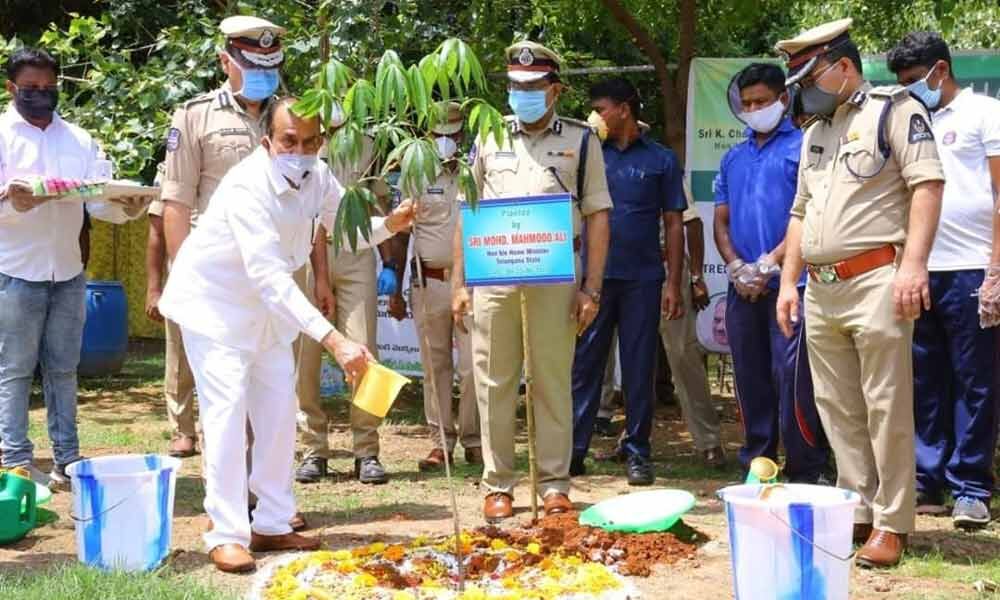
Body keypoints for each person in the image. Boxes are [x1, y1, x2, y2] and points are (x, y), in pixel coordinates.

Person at [158, 97, 414, 573]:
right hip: (215, 309)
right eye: (289, 141)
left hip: (267, 315)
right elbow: (270, 277)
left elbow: (346, 228)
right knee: (227, 419)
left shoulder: (318, 175)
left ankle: (273, 521)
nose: (299, 150)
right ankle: (226, 532)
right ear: (267, 142)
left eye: (310, 142)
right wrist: (335, 340)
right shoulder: (245, 187)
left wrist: (389, 226)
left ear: (321, 142)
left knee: (278, 411)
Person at [775, 18, 945, 568]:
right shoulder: (815, 132)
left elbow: (927, 183)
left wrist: (914, 265)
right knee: (837, 405)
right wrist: (787, 282)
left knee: (884, 403)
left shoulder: (895, 111)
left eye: (809, 79)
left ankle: (893, 522)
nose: (803, 92)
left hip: (878, 278)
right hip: (822, 289)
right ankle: (860, 508)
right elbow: (800, 212)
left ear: (843, 69)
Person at [452, 41, 612, 520]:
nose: (522, 94)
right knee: (494, 382)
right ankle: (498, 484)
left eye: (533, 87)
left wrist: (592, 289)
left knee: (551, 382)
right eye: (515, 87)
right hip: (494, 280)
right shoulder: (487, 136)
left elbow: (599, 216)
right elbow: (469, 211)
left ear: (555, 89)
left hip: (554, 280)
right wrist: (460, 283)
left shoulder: (583, 141)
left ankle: (554, 484)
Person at [0, 47, 147, 485]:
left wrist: (131, 207)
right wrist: (14, 204)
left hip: (67, 271)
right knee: (15, 370)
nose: (41, 96)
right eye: (31, 89)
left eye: (49, 88)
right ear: (12, 89)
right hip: (14, 272)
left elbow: (98, 199)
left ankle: (68, 460)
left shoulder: (79, 139)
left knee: (64, 369)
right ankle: (16, 462)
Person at [159, 15, 285, 458]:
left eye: (272, 65)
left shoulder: (291, 115)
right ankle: (229, 499)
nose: (264, 74)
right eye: (254, 63)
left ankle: (269, 497)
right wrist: (181, 272)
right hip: (216, 273)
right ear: (225, 60)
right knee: (224, 390)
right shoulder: (196, 116)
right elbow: (176, 202)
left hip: (274, 271)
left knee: (272, 390)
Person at [888, 31, 1000, 529]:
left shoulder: (984, 113)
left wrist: (996, 271)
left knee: (975, 381)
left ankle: (972, 487)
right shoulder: (910, 121)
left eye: (914, 81)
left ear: (940, 69)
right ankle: (926, 480)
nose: (910, 91)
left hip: (972, 267)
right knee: (924, 379)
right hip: (918, 270)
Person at [713, 63, 829, 484]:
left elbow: (807, 216)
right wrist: (736, 266)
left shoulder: (803, 149)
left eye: (761, 101)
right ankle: (758, 465)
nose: (753, 109)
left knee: (793, 381)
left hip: (790, 286)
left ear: (783, 100)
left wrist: (771, 264)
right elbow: (721, 222)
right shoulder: (733, 157)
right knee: (750, 378)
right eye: (746, 104)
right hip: (742, 287)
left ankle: (806, 468)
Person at [571, 77, 685, 487]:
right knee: (585, 365)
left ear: (624, 108)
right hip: (594, 281)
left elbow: (674, 224)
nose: (594, 117)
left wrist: (674, 281)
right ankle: (574, 450)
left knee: (639, 369)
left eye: (600, 109)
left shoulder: (660, 160)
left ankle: (637, 451)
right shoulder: (587, 156)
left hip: (643, 279)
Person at [293, 134, 397, 486]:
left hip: (357, 249)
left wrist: (390, 262)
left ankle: (367, 450)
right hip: (305, 255)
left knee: (366, 351)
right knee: (303, 356)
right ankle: (312, 449)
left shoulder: (368, 143)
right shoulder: (298, 139)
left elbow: (378, 205)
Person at [385, 103, 482, 472]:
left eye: (452, 134)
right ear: (428, 137)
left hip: (473, 284)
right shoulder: (416, 173)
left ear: (462, 135)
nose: (445, 141)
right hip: (429, 280)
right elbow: (401, 228)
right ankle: (441, 442)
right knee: (435, 366)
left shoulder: (476, 172)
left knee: (475, 366)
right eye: (438, 135)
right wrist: (393, 279)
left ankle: (474, 440)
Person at [662, 196, 725, 469]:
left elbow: (693, 223)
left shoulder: (662, 164)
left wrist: (696, 277)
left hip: (669, 268)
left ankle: (709, 441)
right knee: (627, 358)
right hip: (621, 271)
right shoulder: (599, 163)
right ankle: (631, 440)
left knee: (682, 354)